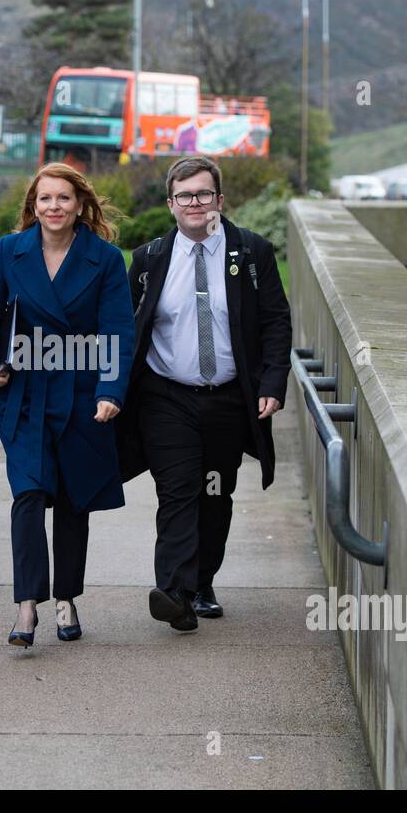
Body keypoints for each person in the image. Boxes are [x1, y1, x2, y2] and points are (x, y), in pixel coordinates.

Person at [117, 156, 292, 631]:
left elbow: (276, 321)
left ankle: (201, 583)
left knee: (216, 491)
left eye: (203, 194)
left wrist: (273, 383)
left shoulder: (251, 253)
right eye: (184, 196)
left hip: (230, 397)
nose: (195, 203)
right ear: (170, 203)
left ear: (219, 199)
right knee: (177, 489)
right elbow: (125, 327)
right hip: (166, 395)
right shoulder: (150, 259)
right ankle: (173, 590)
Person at [0, 163, 134, 648]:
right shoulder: (11, 250)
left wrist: (111, 391)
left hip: (82, 395)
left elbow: (118, 332)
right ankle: (26, 605)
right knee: (28, 495)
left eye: (63, 198)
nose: (54, 207)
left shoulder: (104, 259)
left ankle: (66, 598)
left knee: (70, 500)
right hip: (24, 395)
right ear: (33, 206)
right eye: (45, 199)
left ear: (80, 204)